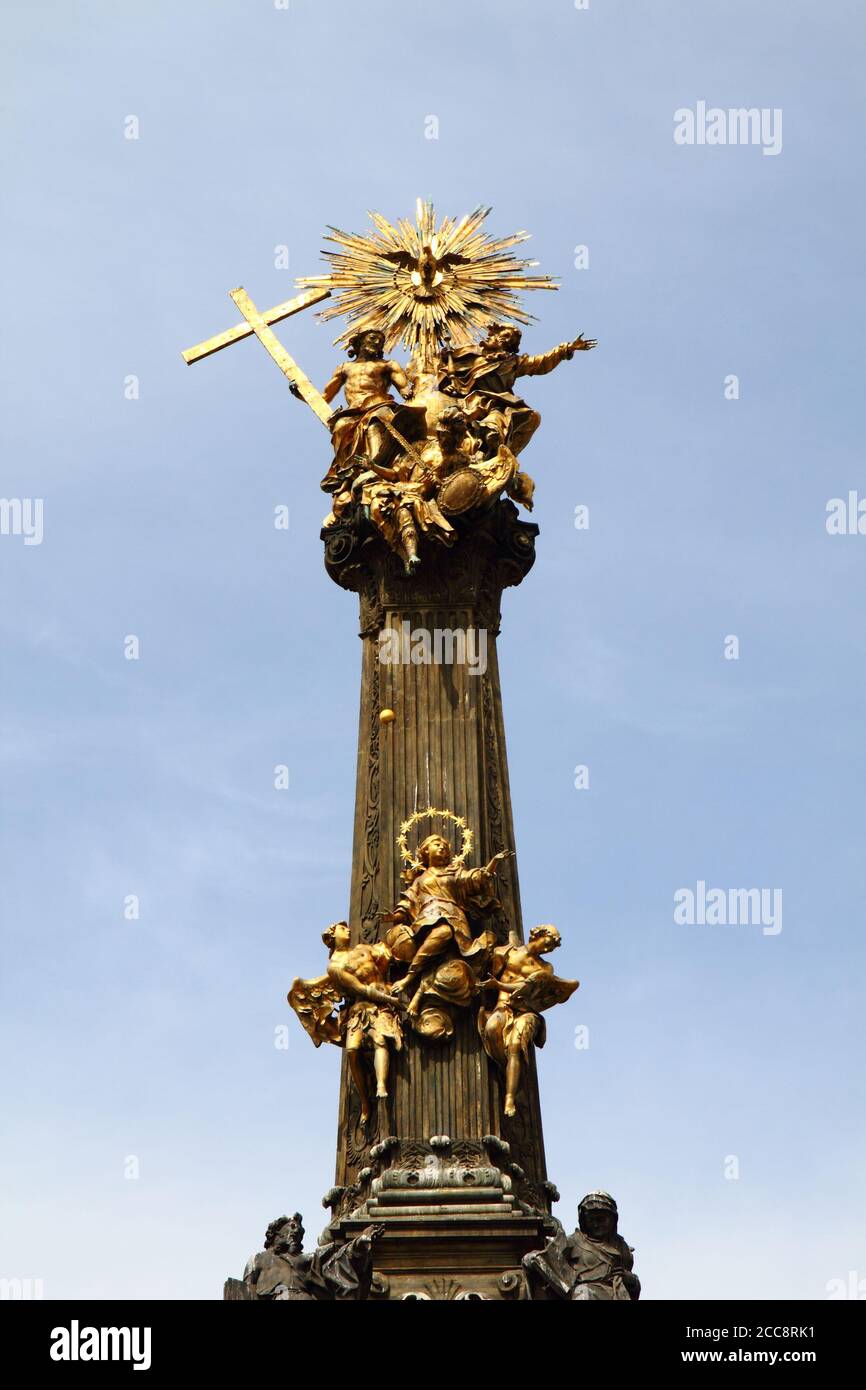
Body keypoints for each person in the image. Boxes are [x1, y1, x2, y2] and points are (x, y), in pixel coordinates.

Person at [438, 322, 596, 457]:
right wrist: (447, 379)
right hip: (469, 399)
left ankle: (494, 445)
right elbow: (445, 370)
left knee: (510, 416)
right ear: (493, 335)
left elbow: (540, 363)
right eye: (504, 335)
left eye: (510, 340)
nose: (505, 340)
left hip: (495, 401)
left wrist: (566, 349)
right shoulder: (470, 353)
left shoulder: (513, 362)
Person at [478, 923, 578, 1117]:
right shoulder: (507, 953)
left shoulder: (545, 968)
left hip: (526, 1012)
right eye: (547, 943)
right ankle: (506, 1070)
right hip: (502, 1005)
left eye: (551, 947)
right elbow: (487, 975)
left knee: (516, 1044)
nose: (548, 949)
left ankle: (509, 1098)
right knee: (491, 1029)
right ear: (536, 935)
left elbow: (531, 987)